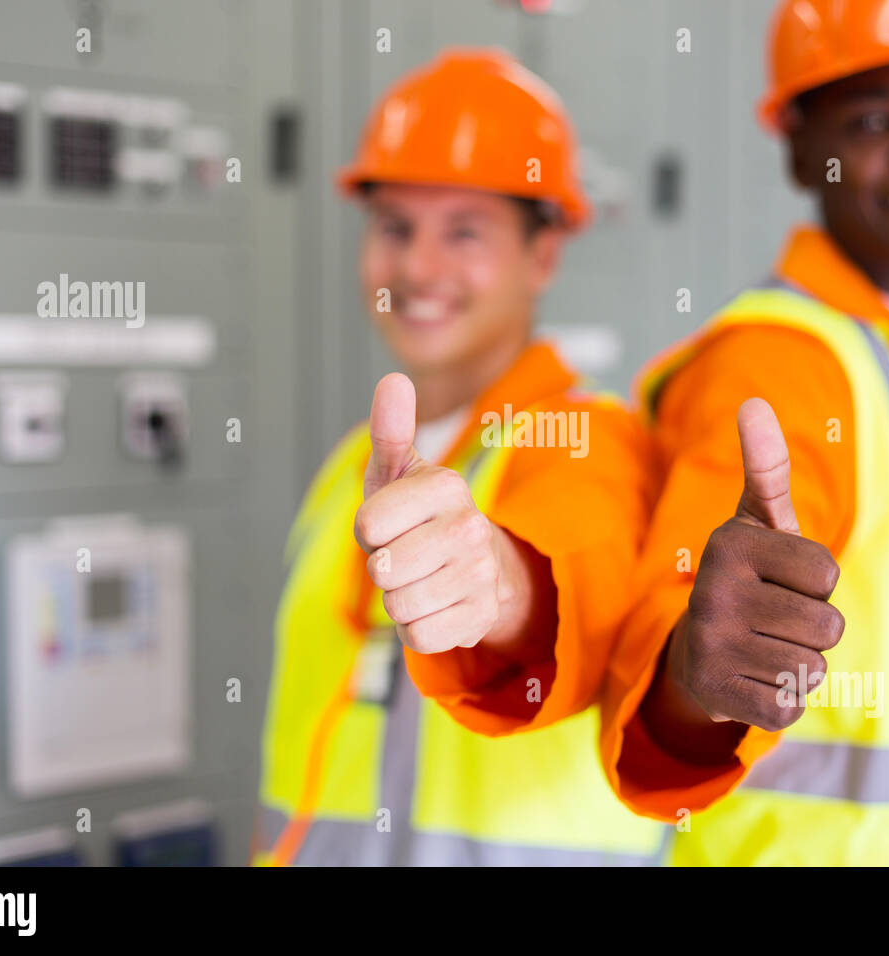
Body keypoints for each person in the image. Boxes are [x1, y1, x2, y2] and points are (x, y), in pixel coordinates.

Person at [600, 0, 889, 865]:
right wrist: (693, 680)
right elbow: (676, 648)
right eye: (873, 119)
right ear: (803, 153)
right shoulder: (781, 363)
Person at [253, 48, 663, 865]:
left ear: (541, 257)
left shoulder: (584, 440)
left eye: (464, 232)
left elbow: (567, 589)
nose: (418, 267)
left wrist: (503, 590)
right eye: (395, 228)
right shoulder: (349, 468)